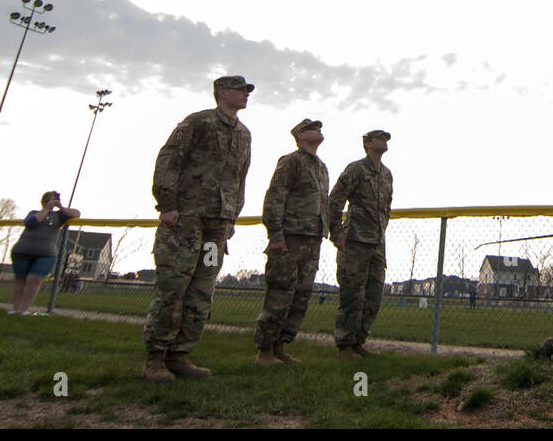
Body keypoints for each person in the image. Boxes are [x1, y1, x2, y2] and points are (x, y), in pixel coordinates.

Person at [142, 75, 253, 382]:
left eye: (247, 91)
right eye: (241, 89)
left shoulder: (244, 134)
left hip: (215, 227)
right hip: (186, 220)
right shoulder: (198, 122)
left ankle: (180, 355)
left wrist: (231, 218)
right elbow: (169, 160)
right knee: (174, 285)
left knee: (202, 288)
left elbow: (240, 180)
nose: (246, 95)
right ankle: (155, 358)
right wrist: (167, 205)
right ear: (222, 92)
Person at [255, 118, 330, 366]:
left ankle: (280, 346)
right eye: (312, 128)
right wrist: (275, 235)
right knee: (280, 292)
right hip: (289, 238)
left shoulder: (321, 167)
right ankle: (265, 350)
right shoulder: (291, 161)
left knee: (301, 295)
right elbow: (275, 197)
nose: (318, 131)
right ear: (300, 135)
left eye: (319, 128)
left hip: (312, 239)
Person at [329, 129, 393, 359]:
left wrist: (380, 233)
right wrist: (337, 234)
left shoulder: (386, 174)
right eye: (380, 138)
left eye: (386, 139)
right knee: (352, 295)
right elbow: (335, 201)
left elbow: (386, 207)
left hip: (376, 243)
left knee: (374, 296)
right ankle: (344, 345)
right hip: (355, 241)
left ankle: (358, 341)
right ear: (367, 143)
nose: (384, 141)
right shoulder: (356, 169)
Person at [9, 191, 80, 315]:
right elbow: (31, 222)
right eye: (49, 199)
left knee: (34, 280)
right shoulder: (33, 213)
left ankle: (24, 310)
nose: (52, 201)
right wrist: (47, 209)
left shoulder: (59, 215)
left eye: (54, 199)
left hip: (46, 253)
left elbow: (76, 214)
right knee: (21, 281)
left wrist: (61, 207)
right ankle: (16, 309)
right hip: (22, 251)